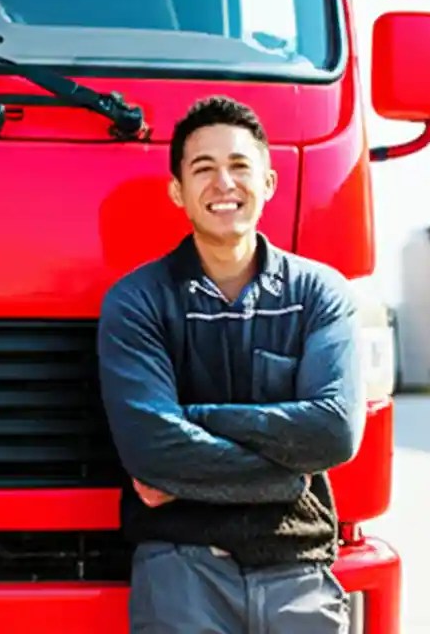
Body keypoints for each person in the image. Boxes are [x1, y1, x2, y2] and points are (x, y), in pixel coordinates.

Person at [96, 95, 366, 633]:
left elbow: (334, 434)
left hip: (299, 570)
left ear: (267, 182)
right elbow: (150, 449)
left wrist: (195, 418)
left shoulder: (319, 294)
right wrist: (289, 475)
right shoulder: (138, 301)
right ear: (178, 191)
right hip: (180, 570)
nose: (224, 183)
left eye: (240, 166)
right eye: (203, 169)